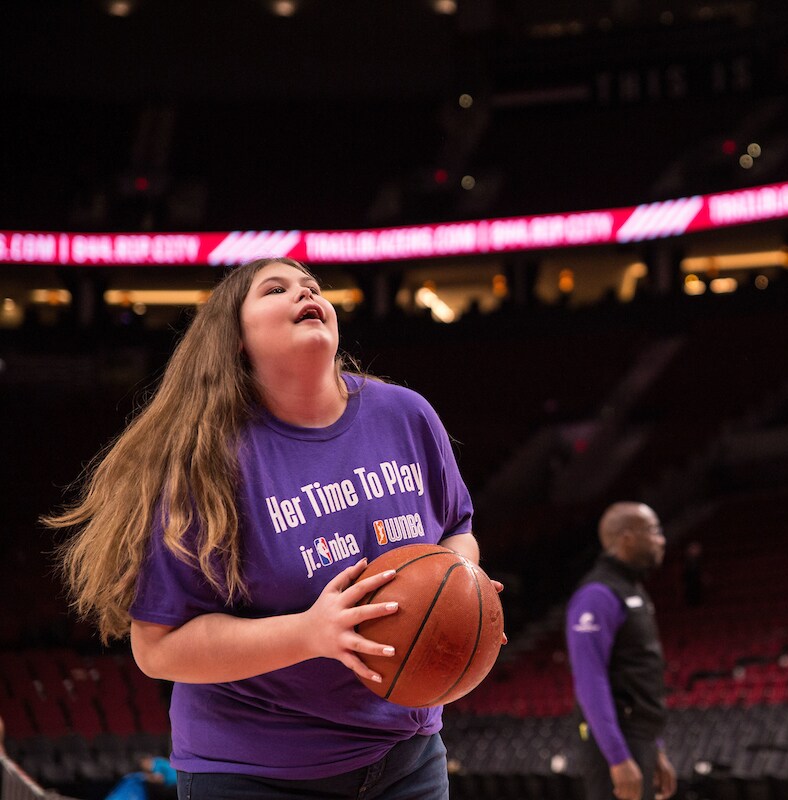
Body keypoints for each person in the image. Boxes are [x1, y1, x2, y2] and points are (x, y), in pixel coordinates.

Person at [45, 257, 493, 800]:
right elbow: (158, 648)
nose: (304, 293)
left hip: (409, 758)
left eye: (311, 287)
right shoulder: (204, 461)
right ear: (235, 338)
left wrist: (466, 592)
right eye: (275, 289)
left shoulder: (405, 415)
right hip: (255, 771)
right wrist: (308, 634)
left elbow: (456, 531)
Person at [565, 502, 677, 800]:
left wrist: (656, 749)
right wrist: (617, 757)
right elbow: (590, 681)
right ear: (627, 537)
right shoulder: (597, 595)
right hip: (615, 743)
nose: (661, 540)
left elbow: (638, 678)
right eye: (654, 531)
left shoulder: (633, 591)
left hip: (640, 738)